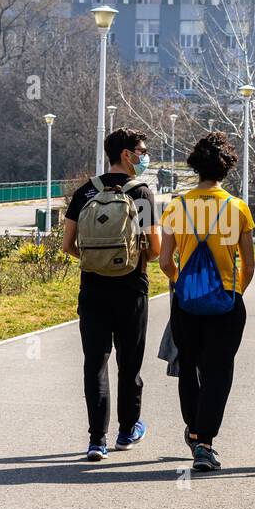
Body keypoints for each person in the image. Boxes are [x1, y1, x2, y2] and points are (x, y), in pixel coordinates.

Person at [158, 132, 255, 473]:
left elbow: (165, 261)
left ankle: (194, 428)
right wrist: (235, 292)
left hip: (186, 303)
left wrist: (180, 282)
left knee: (188, 367)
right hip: (226, 303)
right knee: (218, 372)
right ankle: (205, 443)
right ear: (226, 168)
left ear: (195, 166)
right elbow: (249, 263)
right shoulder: (237, 207)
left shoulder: (176, 207)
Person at [62, 128, 161, 461]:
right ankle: (127, 431)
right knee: (129, 364)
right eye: (142, 151)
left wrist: (96, 261)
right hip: (132, 288)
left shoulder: (85, 192)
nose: (145, 156)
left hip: (93, 289)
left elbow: (68, 246)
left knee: (96, 363)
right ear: (127, 154)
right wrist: (129, 259)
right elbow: (156, 249)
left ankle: (96, 441)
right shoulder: (143, 194)